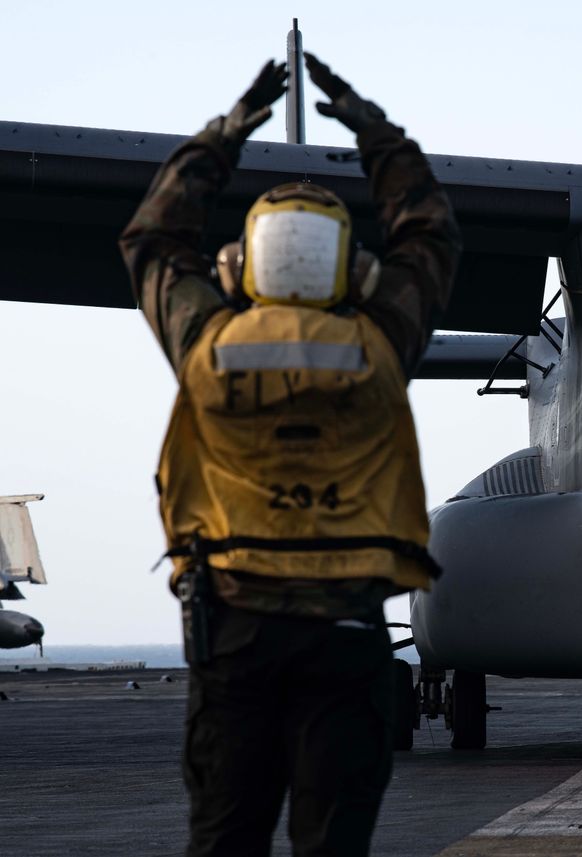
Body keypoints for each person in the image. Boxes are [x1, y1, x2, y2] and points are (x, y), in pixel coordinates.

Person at [119, 55, 460, 857]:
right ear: (351, 267)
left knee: (224, 836)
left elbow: (154, 234)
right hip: (346, 632)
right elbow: (429, 229)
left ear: (242, 266)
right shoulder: (380, 342)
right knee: (333, 842)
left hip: (233, 627)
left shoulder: (206, 342)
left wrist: (230, 128)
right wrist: (372, 128)